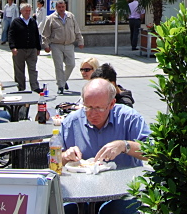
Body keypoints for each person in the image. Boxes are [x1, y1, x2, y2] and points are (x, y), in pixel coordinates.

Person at [61, 79, 150, 214]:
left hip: (123, 190)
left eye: (99, 108)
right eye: (88, 107)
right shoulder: (72, 122)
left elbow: (152, 152)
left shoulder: (129, 118)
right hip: (82, 190)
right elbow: (53, 161)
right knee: (65, 209)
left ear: (112, 104)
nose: (92, 113)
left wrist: (124, 145)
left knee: (112, 211)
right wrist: (65, 156)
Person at [41, 0, 84, 94]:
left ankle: (63, 80)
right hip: (56, 45)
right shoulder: (51, 18)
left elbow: (77, 29)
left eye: (63, 7)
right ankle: (60, 86)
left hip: (69, 44)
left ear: (65, 7)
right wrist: (46, 45)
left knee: (71, 64)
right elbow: (45, 34)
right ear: (56, 8)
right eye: (59, 7)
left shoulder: (70, 16)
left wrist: (80, 40)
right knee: (59, 66)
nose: (61, 9)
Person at [8, 2, 42, 93]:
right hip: (19, 49)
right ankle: (21, 87)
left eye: (29, 10)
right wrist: (12, 47)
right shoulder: (16, 22)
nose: (28, 12)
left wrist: (38, 48)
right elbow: (11, 35)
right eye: (26, 10)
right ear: (21, 11)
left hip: (32, 49)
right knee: (19, 70)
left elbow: (36, 34)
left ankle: (35, 87)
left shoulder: (32, 21)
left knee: (33, 69)